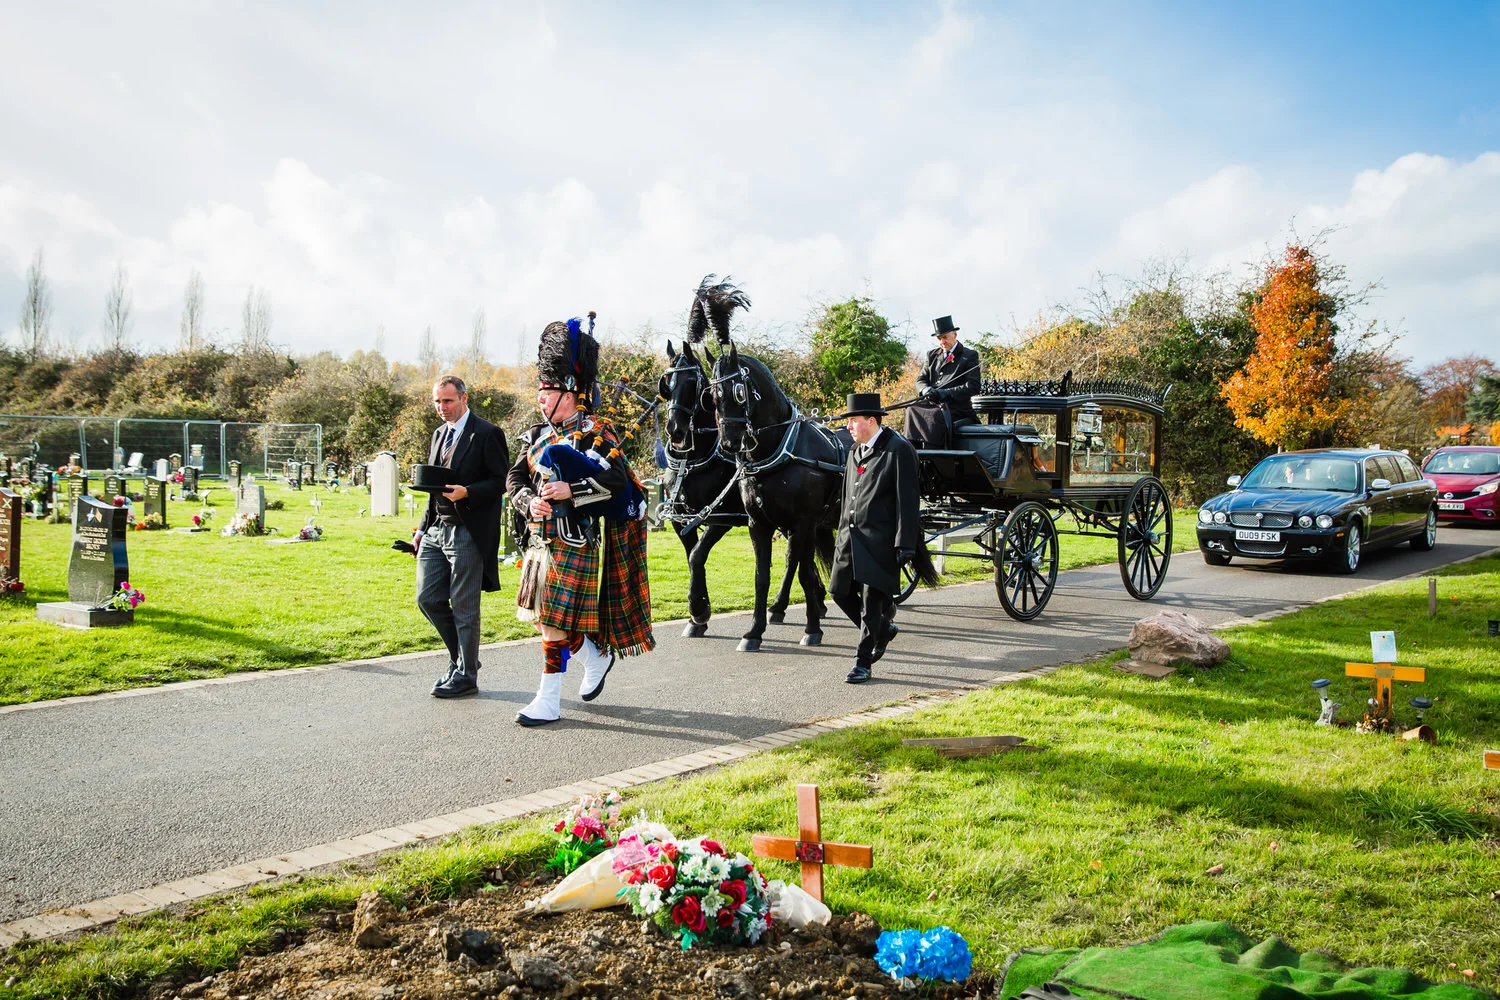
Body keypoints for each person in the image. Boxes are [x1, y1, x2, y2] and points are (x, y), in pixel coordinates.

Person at [507, 318, 655, 726]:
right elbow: (515, 477)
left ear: (570, 393)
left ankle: (548, 699)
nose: (541, 398)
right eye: (539, 391)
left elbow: (617, 483)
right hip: (540, 539)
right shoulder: (537, 433)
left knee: (552, 620)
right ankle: (594, 654)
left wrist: (572, 492)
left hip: (577, 541)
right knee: (541, 616)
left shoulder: (596, 432)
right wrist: (529, 501)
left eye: (548, 391)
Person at [416, 375, 511, 699]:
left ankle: (466, 675)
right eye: (437, 402)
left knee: (465, 607)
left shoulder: (487, 434)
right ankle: (462, 659)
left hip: (467, 532)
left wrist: (468, 491)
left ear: (464, 398)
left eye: (448, 401)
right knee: (427, 598)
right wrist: (421, 528)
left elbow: (501, 481)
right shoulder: (439, 434)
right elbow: (432, 486)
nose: (442, 408)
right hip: (435, 530)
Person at [830, 393, 934, 684]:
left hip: (880, 541)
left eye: (853, 421)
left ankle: (862, 663)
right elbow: (846, 496)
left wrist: (905, 543)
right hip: (849, 538)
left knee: (870, 601)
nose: (849, 426)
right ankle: (883, 630)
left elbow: (907, 500)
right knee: (838, 591)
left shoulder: (898, 449)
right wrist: (840, 535)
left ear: (871, 421)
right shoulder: (854, 451)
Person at [915, 315, 982, 427]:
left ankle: (935, 445)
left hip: (957, 410)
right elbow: (921, 379)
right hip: (932, 405)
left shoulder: (969, 356)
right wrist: (925, 390)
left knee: (933, 416)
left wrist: (944, 393)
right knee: (912, 410)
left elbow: (973, 386)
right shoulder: (931, 356)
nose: (942, 342)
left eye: (945, 337)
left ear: (955, 334)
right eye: (939, 338)